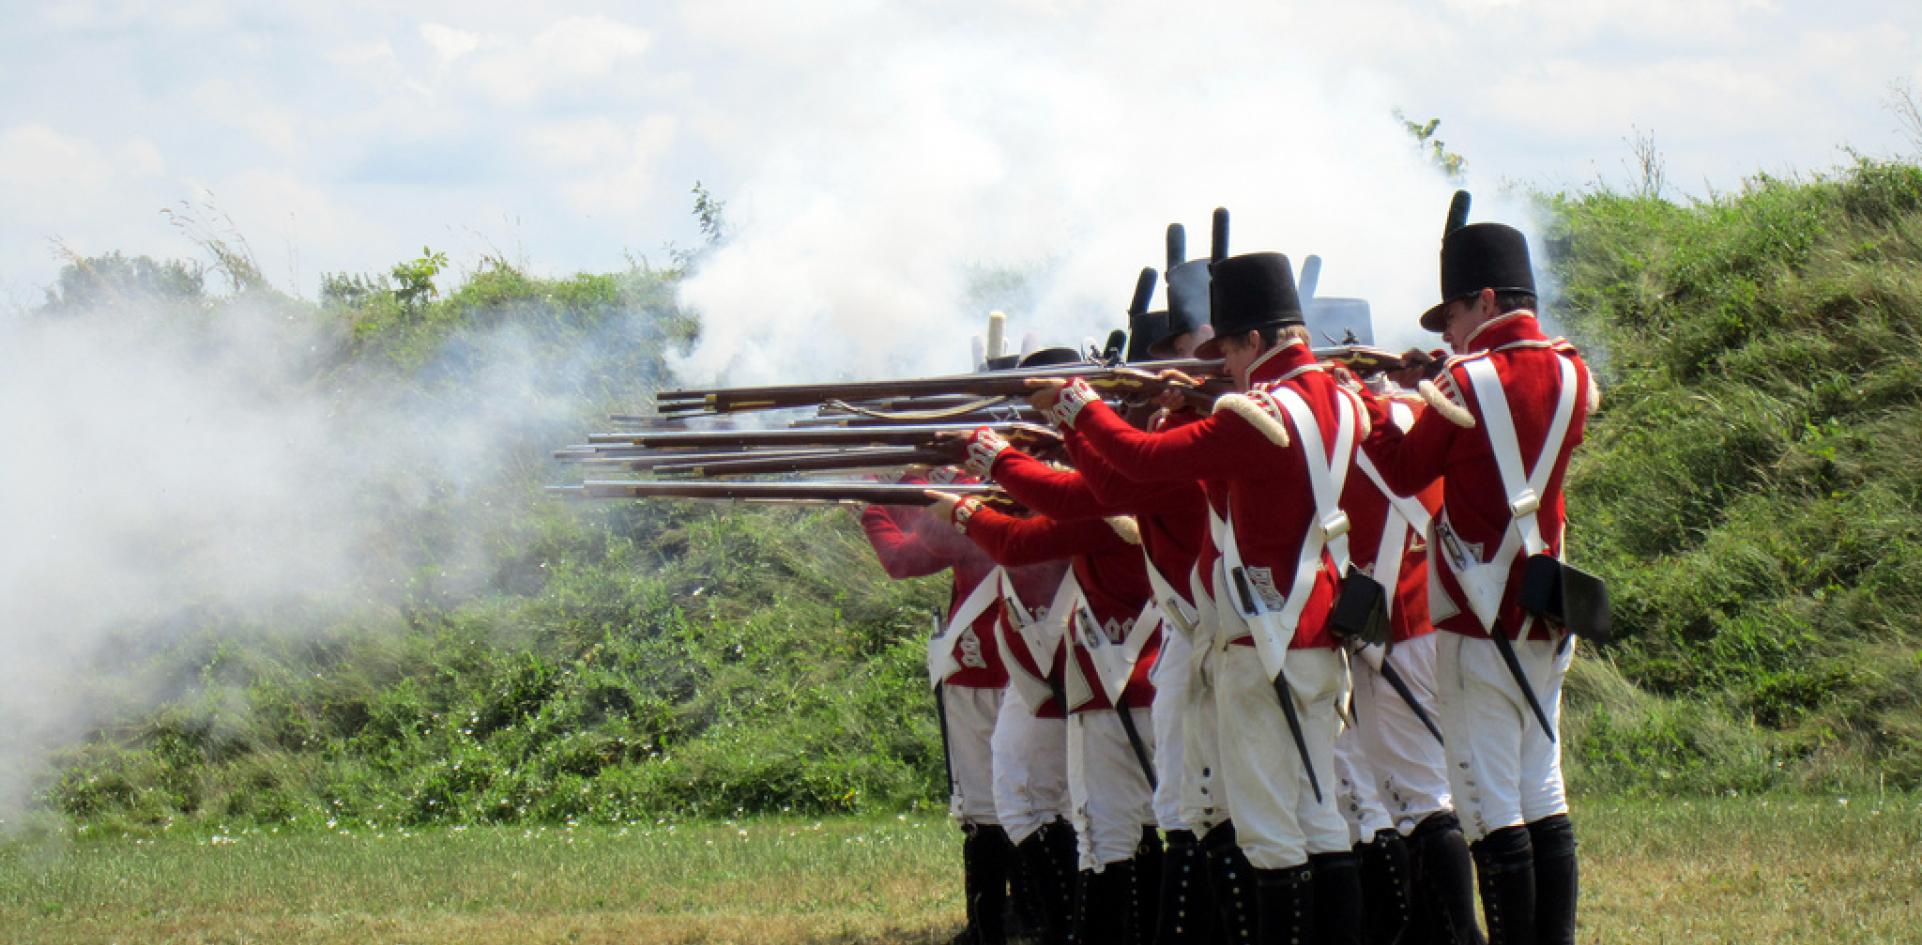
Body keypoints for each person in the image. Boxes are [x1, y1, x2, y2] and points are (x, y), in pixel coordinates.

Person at [1030, 251, 1370, 945]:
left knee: (1270, 831)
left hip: (1261, 640)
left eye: (1231, 350)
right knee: (1319, 818)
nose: (1228, 366)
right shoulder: (1337, 396)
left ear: (1252, 341)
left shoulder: (1261, 413)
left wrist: (1076, 404)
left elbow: (1142, 464)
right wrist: (1197, 403)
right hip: (1314, 631)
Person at [1364, 214, 1599, 945]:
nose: (1454, 330)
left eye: (1458, 312)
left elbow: (1401, 469)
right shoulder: (1572, 369)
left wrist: (1380, 402)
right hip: (1545, 607)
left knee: (1489, 803)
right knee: (1543, 788)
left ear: (1488, 300)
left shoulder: (1462, 381)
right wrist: (1428, 385)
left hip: (1474, 616)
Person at [928, 481, 1162, 945]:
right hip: (1079, 667)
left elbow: (1016, 544)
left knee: (1083, 815)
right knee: (1078, 811)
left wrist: (966, 506)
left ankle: (1073, 929)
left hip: (1094, 667)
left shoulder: (1107, 498)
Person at [1328, 363, 1485, 945]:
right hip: (1441, 614)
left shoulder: (1339, 430)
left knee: (1419, 802)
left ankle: (1459, 935)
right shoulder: (1420, 413)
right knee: (1429, 792)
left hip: (1390, 628)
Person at [861, 466, 1020, 944]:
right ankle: (1035, 910)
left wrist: (872, 508)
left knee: (985, 803)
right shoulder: (1018, 485)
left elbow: (901, 558)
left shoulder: (970, 497)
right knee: (1048, 798)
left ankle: (990, 923)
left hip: (984, 667)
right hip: (1045, 664)